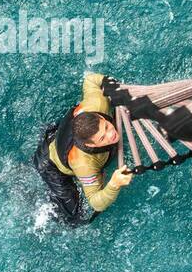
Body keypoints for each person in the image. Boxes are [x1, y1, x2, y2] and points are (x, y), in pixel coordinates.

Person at [33, 72, 133, 225]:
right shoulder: (84, 164)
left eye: (106, 126)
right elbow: (95, 202)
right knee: (74, 218)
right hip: (51, 166)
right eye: (102, 138)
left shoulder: (97, 103)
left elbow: (90, 79)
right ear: (91, 145)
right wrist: (114, 184)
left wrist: (108, 83)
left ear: (100, 117)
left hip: (58, 135)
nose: (111, 133)